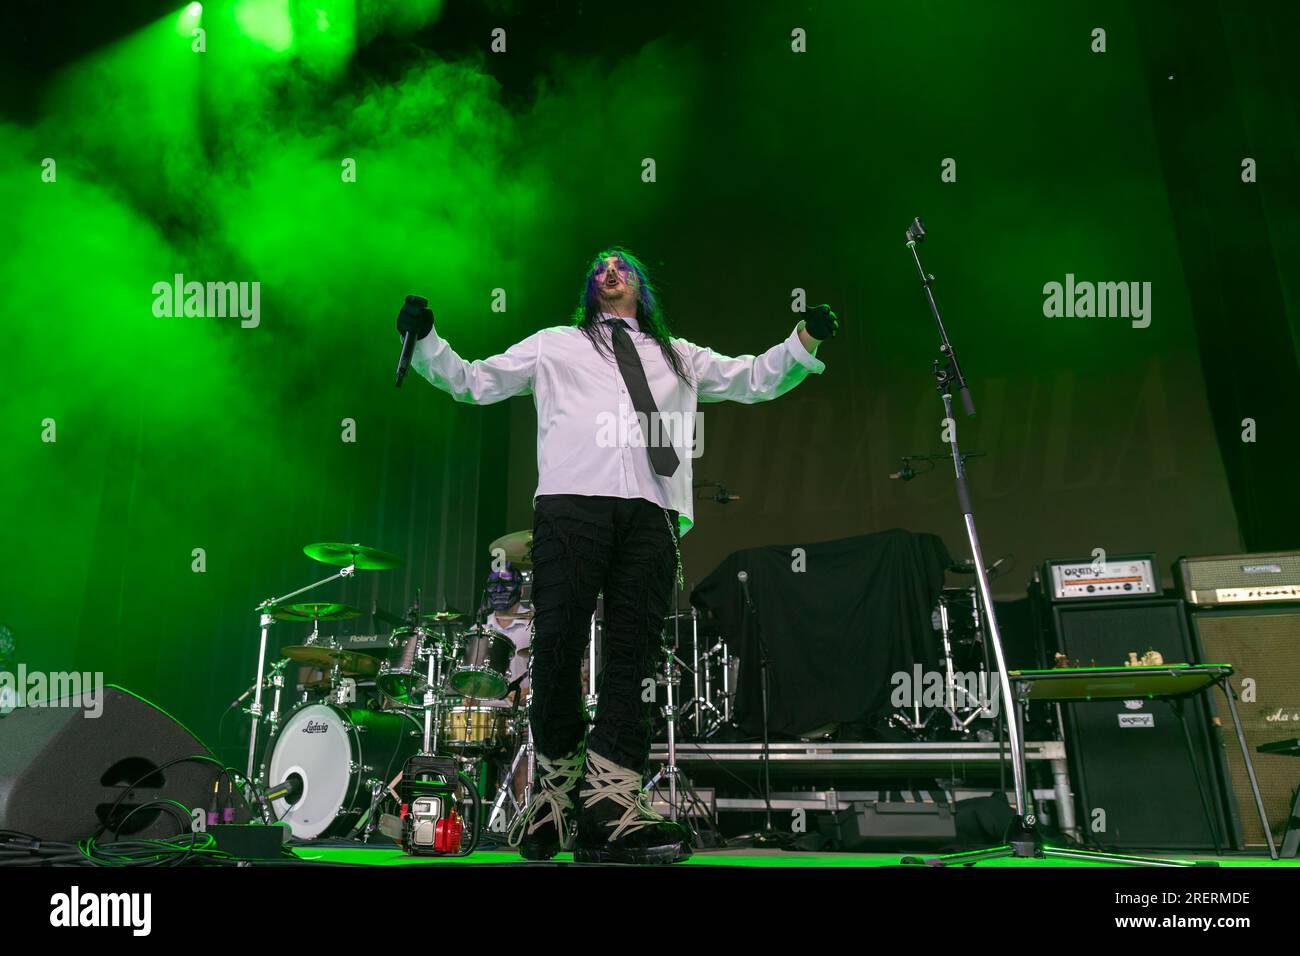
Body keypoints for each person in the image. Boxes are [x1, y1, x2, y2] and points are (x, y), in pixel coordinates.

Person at [398, 247, 838, 863]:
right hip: (572, 507)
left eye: (622, 265)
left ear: (639, 286)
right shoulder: (555, 344)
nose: (611, 270)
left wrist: (803, 339)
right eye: (600, 266)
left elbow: (752, 377)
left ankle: (613, 806)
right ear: (589, 287)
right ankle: (555, 795)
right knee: (554, 652)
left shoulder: (677, 355)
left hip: (651, 513)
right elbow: (476, 380)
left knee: (633, 657)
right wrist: (425, 342)